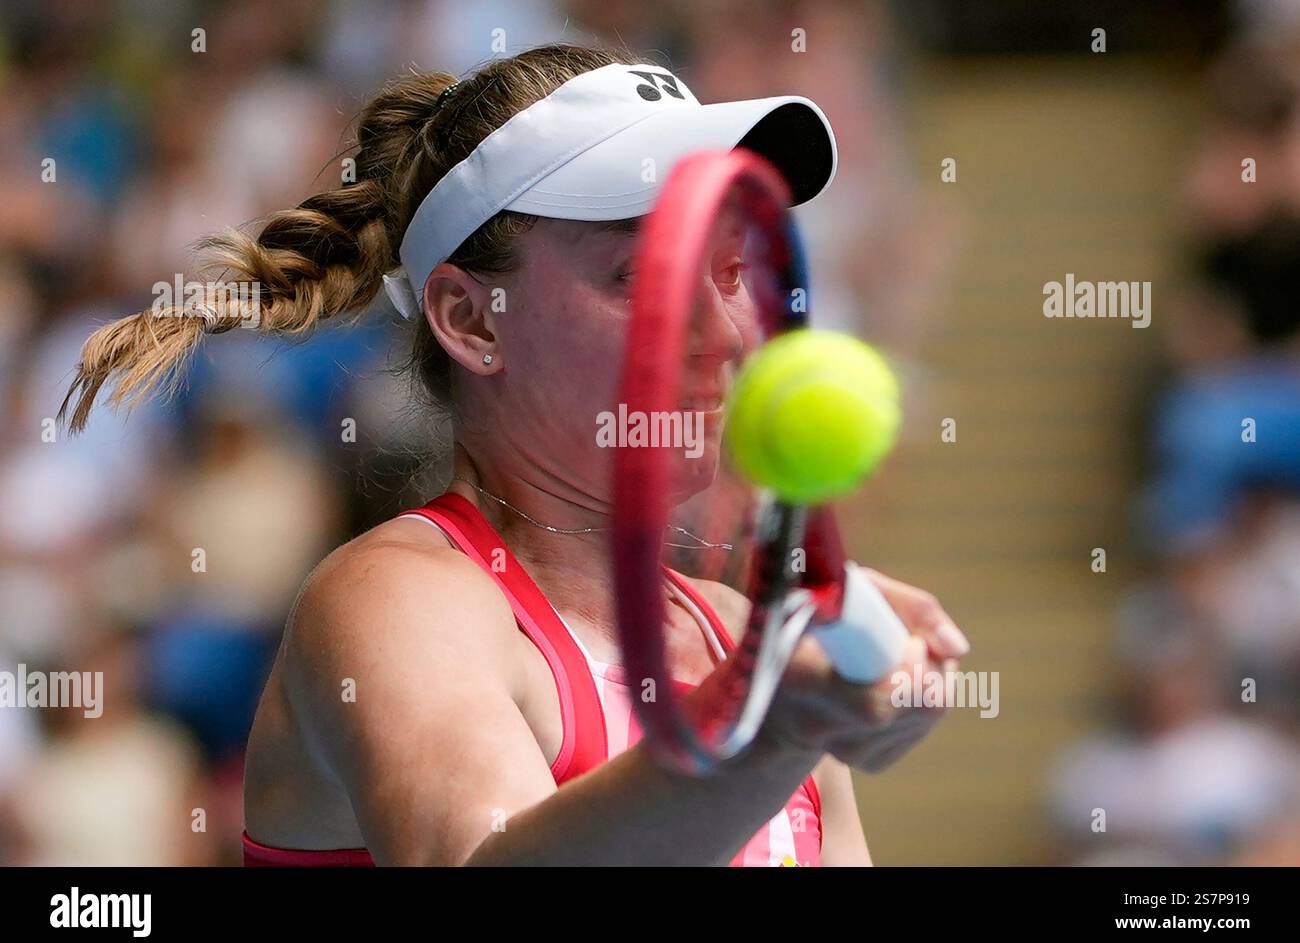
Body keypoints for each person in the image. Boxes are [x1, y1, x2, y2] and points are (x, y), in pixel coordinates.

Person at [61, 44, 969, 866]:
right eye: (643, 276)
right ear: (467, 318)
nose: (725, 332)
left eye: (728, 271)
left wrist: (778, 716)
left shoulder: (746, 638)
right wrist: (768, 729)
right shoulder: (393, 602)